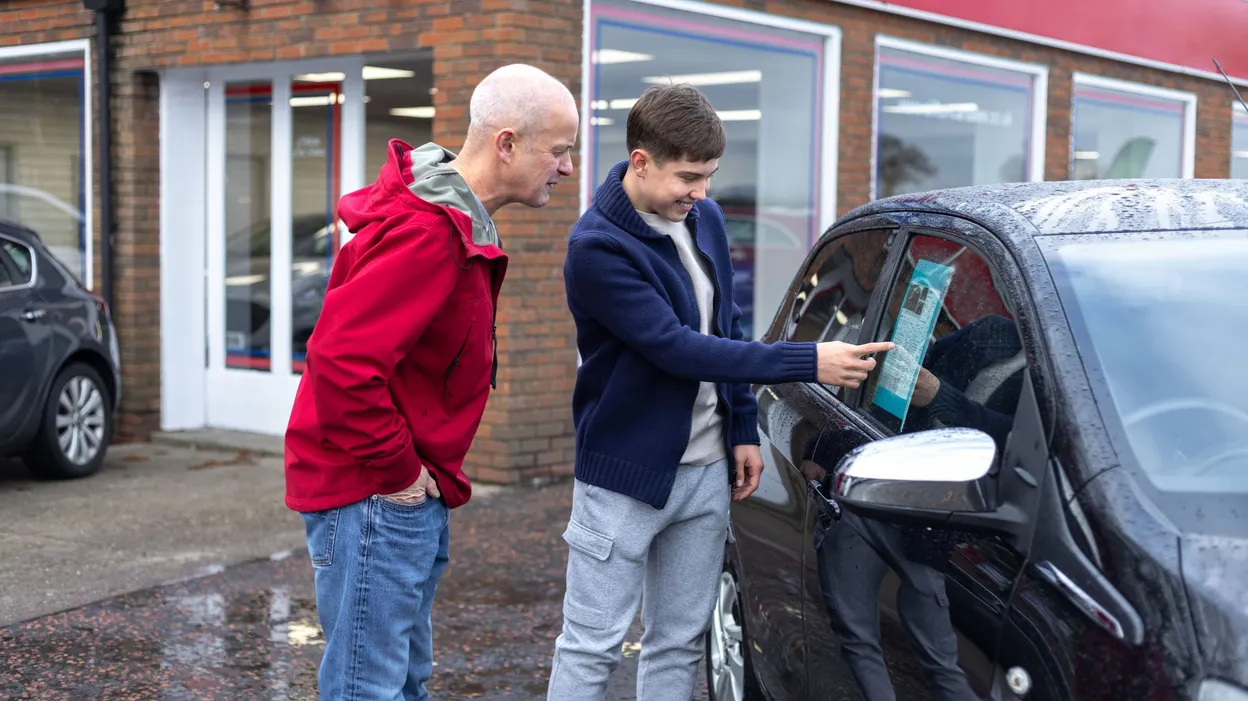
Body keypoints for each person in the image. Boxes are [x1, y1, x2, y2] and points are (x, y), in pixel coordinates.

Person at [546, 83, 894, 701]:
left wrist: (739, 429)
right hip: (624, 479)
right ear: (641, 161)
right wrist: (808, 359)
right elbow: (677, 348)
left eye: (708, 176)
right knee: (592, 646)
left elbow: (724, 325)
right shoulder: (596, 247)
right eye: (689, 177)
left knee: (679, 644)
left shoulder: (702, 217)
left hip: (705, 472)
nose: (701, 193)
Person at [284, 63, 579, 701]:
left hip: (399, 494)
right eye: (558, 151)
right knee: (371, 689)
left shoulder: (453, 221)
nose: (567, 168)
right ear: (506, 144)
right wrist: (398, 473)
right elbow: (341, 365)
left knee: (401, 684)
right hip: (375, 495)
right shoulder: (427, 232)